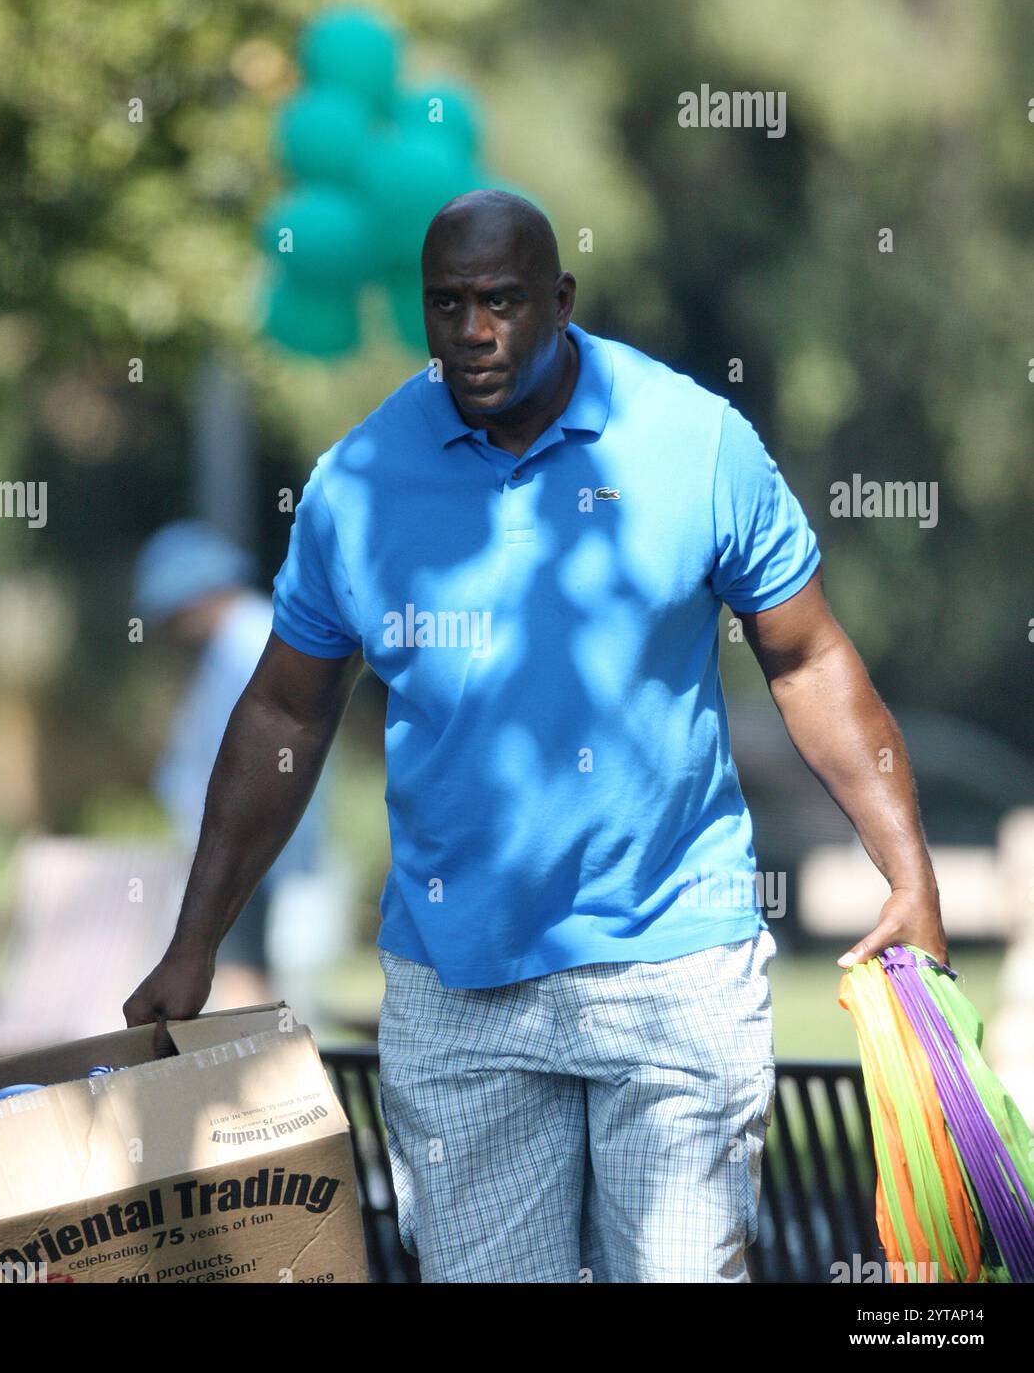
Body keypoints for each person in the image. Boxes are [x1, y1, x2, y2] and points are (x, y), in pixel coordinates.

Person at [125, 189, 947, 1282]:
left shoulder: (694, 443)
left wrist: (909, 869)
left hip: (672, 967)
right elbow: (285, 710)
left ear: (561, 298)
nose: (474, 332)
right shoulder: (359, 486)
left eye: (503, 301)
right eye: (448, 304)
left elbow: (808, 658)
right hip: (459, 990)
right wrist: (196, 940)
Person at [132, 520, 330, 1009]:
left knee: (242, 981)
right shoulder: (231, 645)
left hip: (250, 838)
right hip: (246, 840)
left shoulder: (250, 640)